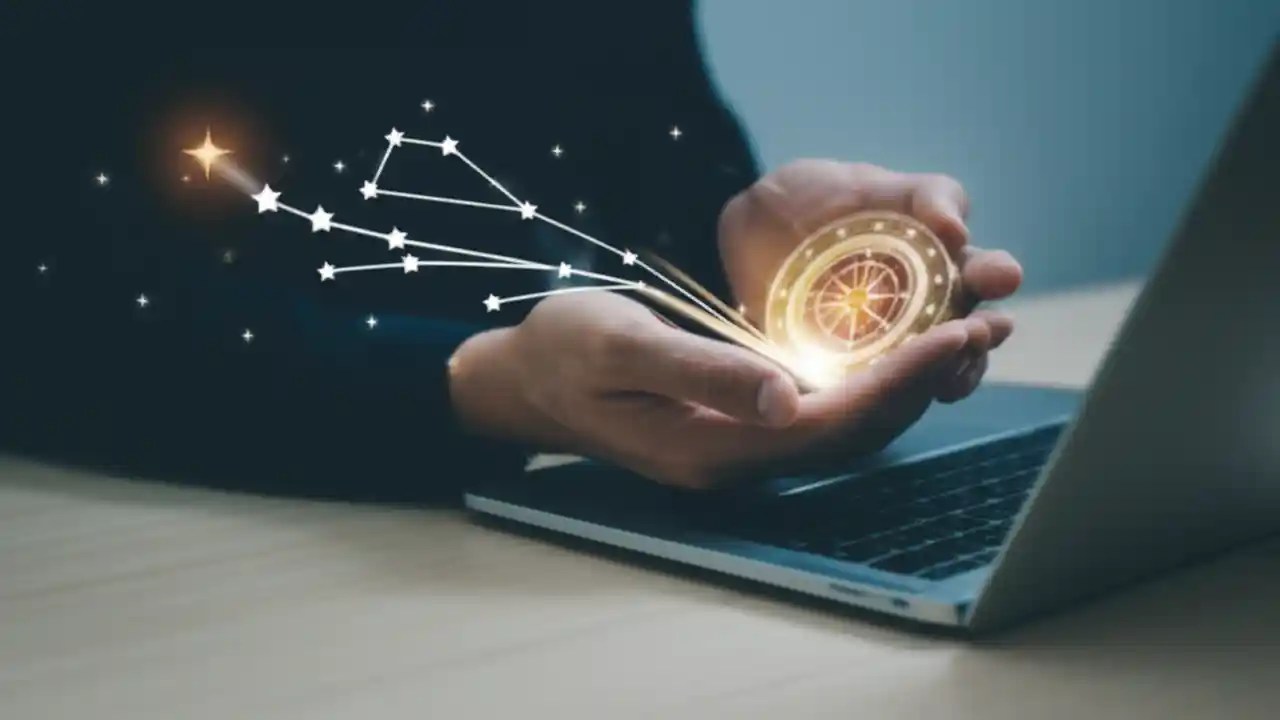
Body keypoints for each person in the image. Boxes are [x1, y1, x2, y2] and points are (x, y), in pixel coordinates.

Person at [2, 0, 1020, 502]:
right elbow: (54, 315)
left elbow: (648, 179)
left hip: (560, 511)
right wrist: (471, 385)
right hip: (170, 517)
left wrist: (735, 260)